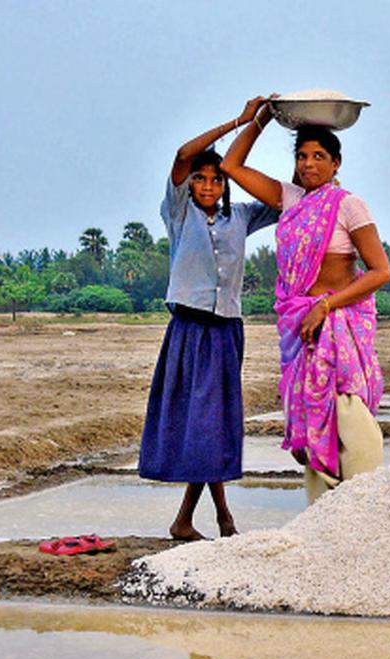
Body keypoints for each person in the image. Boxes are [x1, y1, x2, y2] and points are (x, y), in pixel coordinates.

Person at [221, 103, 390, 504]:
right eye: (302, 156)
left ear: (336, 163)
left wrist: (326, 306)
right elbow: (231, 165)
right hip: (301, 324)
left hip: (339, 321)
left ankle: (365, 502)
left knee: (347, 408)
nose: (309, 164)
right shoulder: (292, 200)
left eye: (319, 156)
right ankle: (324, 515)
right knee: (311, 415)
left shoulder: (349, 205)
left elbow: (380, 271)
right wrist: (261, 117)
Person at [139, 97, 279, 540]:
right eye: (200, 179)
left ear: (225, 184)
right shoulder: (180, 213)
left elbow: (286, 196)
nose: (206, 185)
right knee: (202, 424)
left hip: (226, 332)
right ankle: (221, 518)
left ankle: (195, 519)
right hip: (190, 330)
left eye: (216, 179)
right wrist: (241, 120)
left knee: (214, 425)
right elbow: (183, 155)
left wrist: (269, 125)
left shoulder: (240, 216)